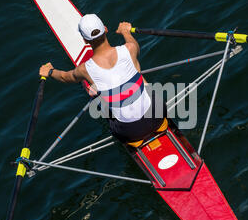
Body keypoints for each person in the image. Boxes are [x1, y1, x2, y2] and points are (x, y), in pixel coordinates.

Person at [39, 14, 166, 144]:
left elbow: (64, 77)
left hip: (130, 132)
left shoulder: (84, 69)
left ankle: (134, 139)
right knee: (136, 70)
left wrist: (49, 71)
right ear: (105, 29)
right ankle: (161, 125)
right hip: (158, 116)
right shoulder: (130, 48)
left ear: (85, 41)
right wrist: (125, 31)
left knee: (96, 93)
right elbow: (131, 42)